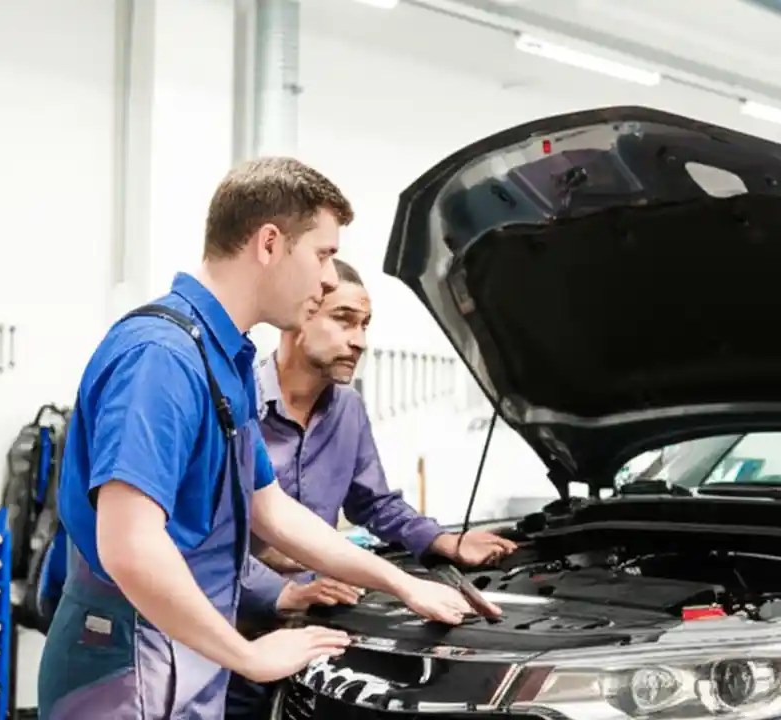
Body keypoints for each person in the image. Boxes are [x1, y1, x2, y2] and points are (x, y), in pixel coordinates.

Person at [37, 157, 478, 720]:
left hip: (182, 646)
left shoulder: (225, 359)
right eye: (322, 254)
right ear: (269, 243)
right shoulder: (162, 358)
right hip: (131, 660)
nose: (326, 278)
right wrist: (249, 656)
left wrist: (401, 584)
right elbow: (130, 547)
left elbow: (270, 509)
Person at [224, 258, 517, 717]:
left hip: (318, 634)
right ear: (299, 318)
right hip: (226, 639)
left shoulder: (348, 410)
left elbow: (373, 502)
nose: (359, 341)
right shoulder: (235, 407)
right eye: (343, 320)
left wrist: (446, 542)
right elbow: (203, 540)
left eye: (365, 325)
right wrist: (279, 592)